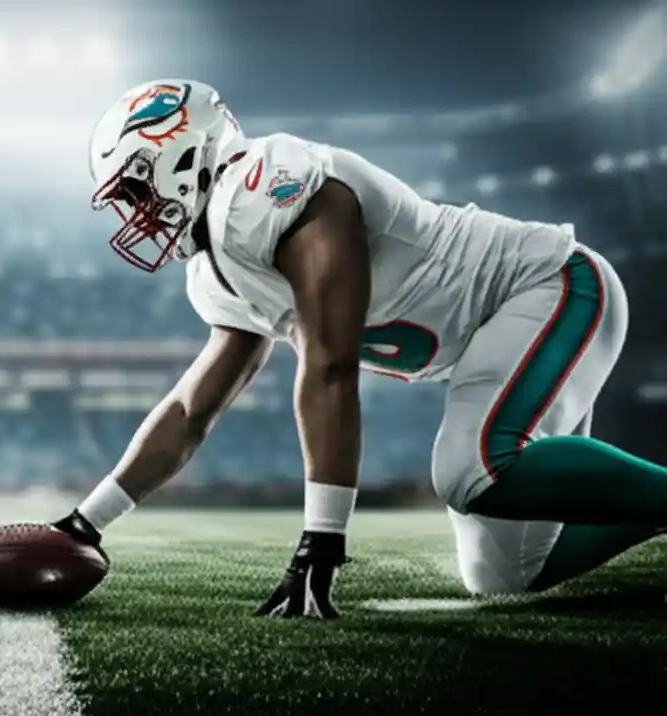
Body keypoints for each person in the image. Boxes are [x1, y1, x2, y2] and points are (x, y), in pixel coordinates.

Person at [54, 78, 665, 617]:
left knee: (470, 467)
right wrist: (86, 523)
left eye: (136, 190)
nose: (136, 214)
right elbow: (192, 412)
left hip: (549, 286)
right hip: (495, 332)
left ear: (182, 156)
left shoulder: (267, 187)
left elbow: (331, 363)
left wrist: (321, 541)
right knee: (507, 574)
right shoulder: (218, 268)